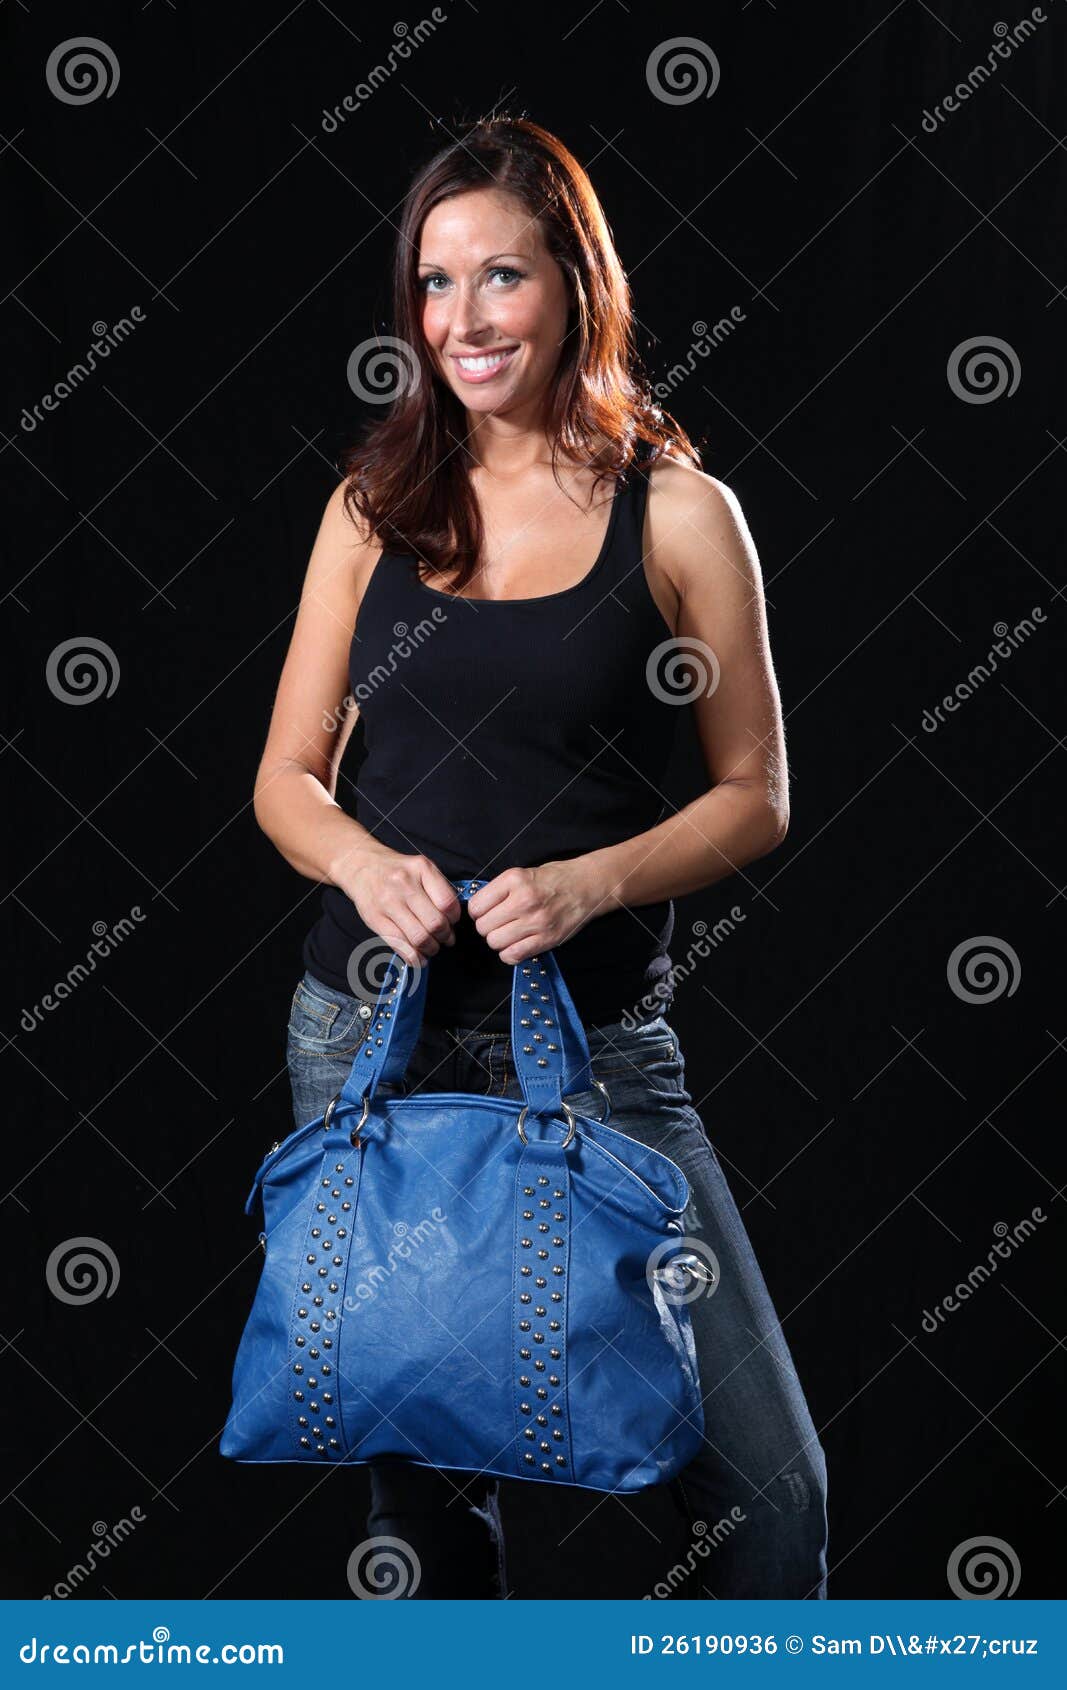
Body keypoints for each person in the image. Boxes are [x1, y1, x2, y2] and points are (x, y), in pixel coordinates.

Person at [252, 115, 827, 1600]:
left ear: (576, 284)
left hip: (596, 1058)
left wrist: (593, 882)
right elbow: (286, 781)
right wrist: (361, 863)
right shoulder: (372, 510)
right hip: (373, 1045)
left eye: (501, 276)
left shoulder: (680, 513)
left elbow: (756, 794)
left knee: (768, 1506)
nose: (463, 319)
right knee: (432, 1529)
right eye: (435, 284)